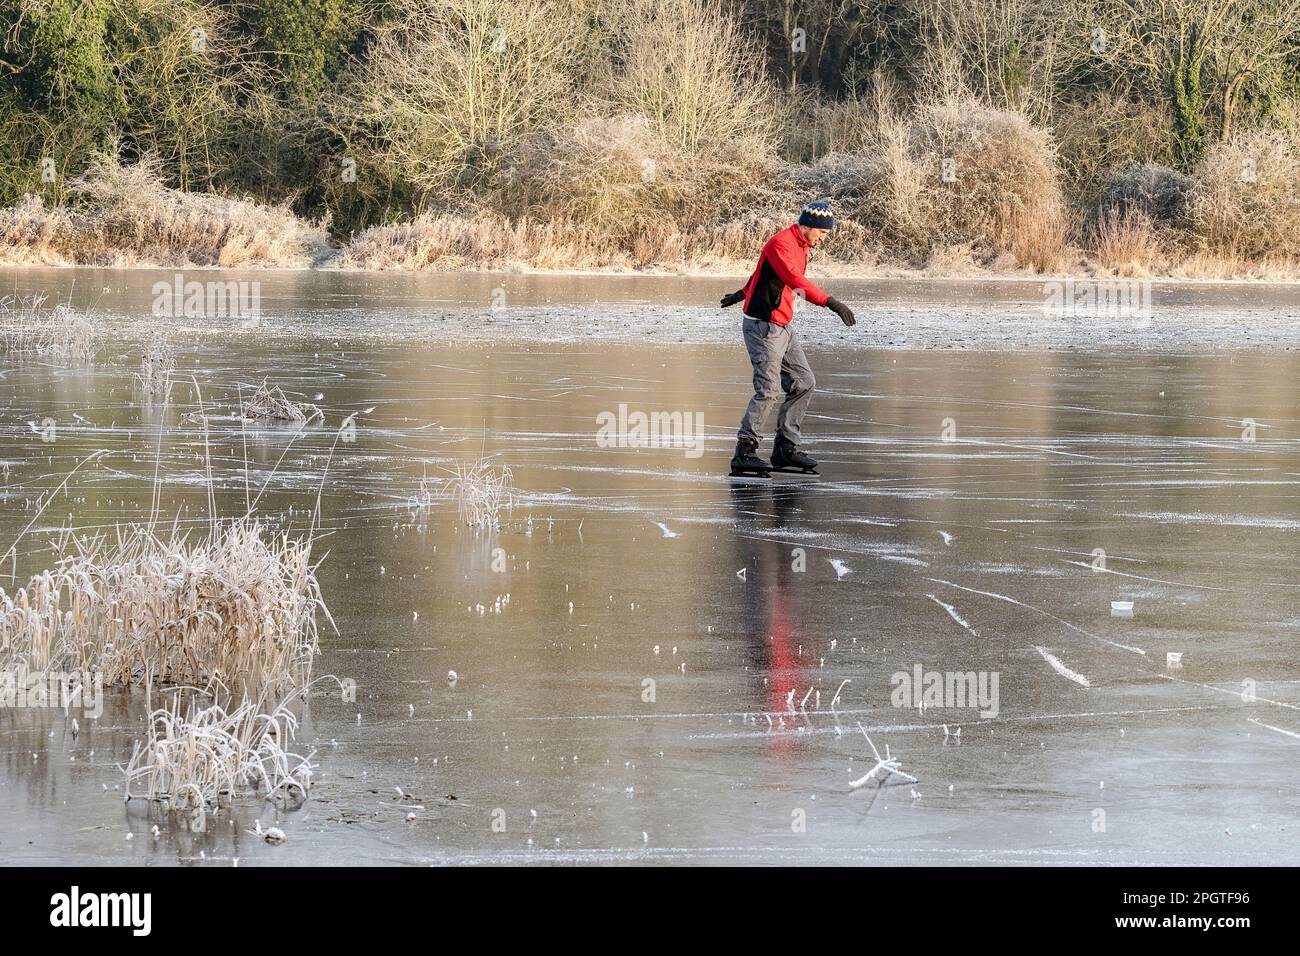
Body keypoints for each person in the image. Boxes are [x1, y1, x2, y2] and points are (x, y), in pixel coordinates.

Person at [721, 200, 855, 476]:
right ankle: (744, 451)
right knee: (768, 389)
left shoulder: (802, 245)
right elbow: (794, 279)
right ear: (807, 226)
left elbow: (763, 273)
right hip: (763, 326)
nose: (823, 238)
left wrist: (741, 293)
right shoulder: (782, 244)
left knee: (804, 382)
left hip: (782, 324)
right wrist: (830, 302)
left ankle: (785, 449)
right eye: (822, 232)